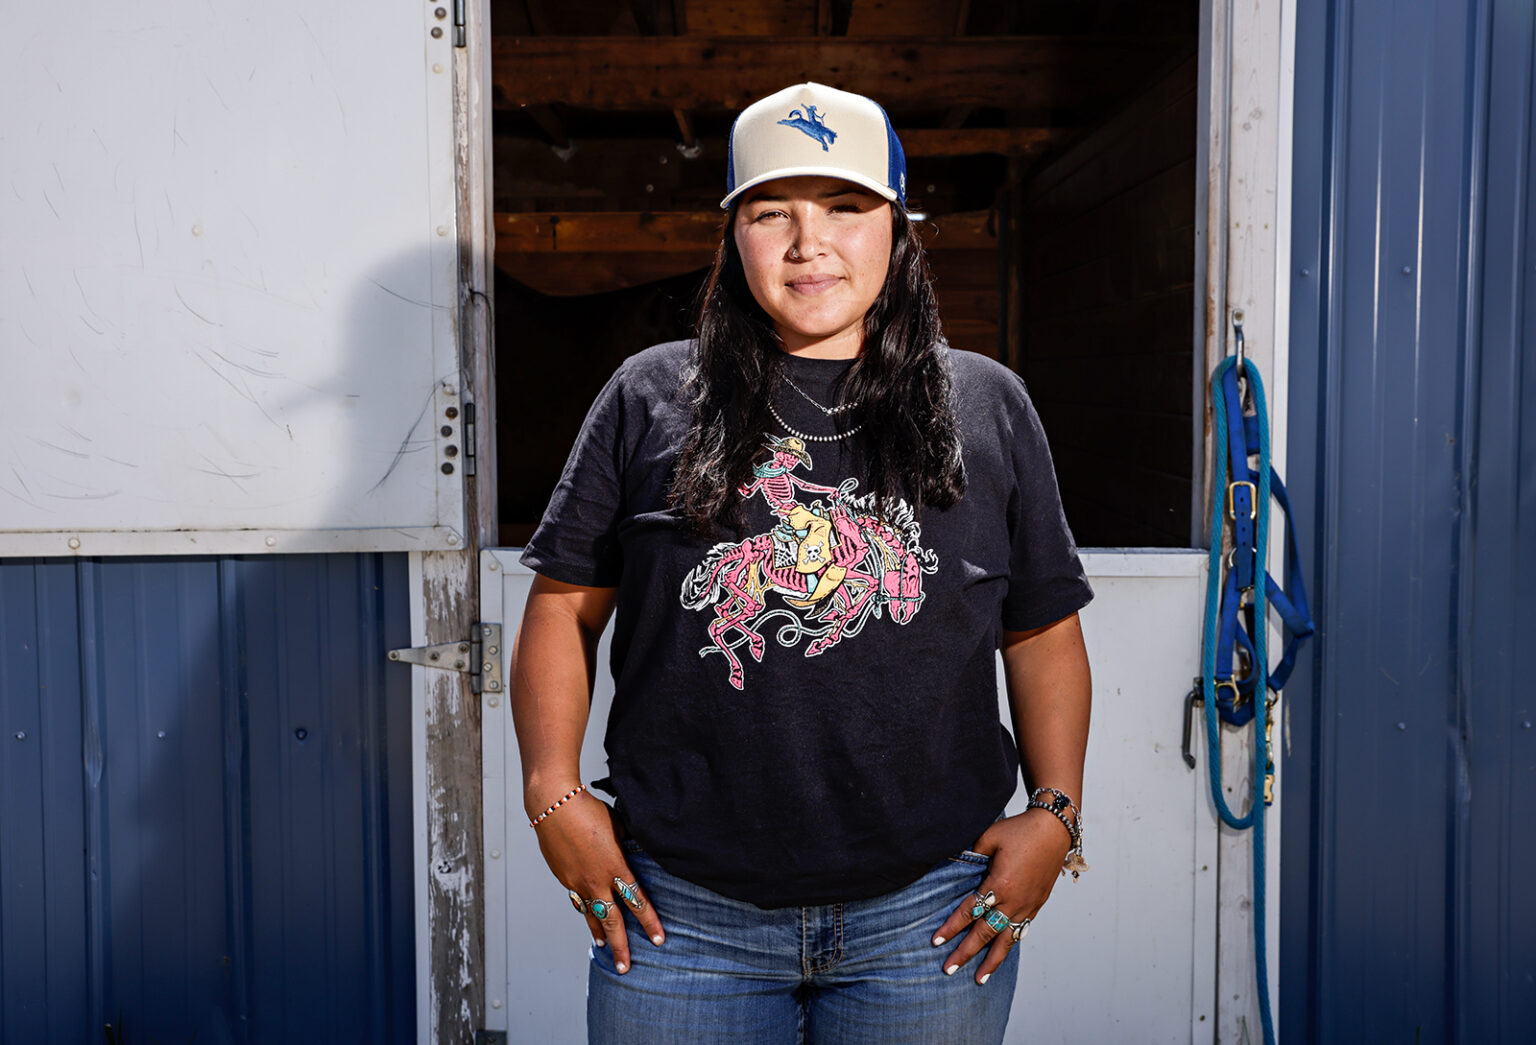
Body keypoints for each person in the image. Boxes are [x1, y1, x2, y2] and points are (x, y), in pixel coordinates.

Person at [511, 81, 1094, 1045]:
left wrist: (1056, 812)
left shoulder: (986, 404)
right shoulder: (650, 395)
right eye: (770, 211)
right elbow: (563, 607)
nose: (807, 242)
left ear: (898, 231)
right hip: (681, 913)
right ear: (733, 235)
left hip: (930, 911)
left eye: (845, 207)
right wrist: (551, 793)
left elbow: (1040, 628)